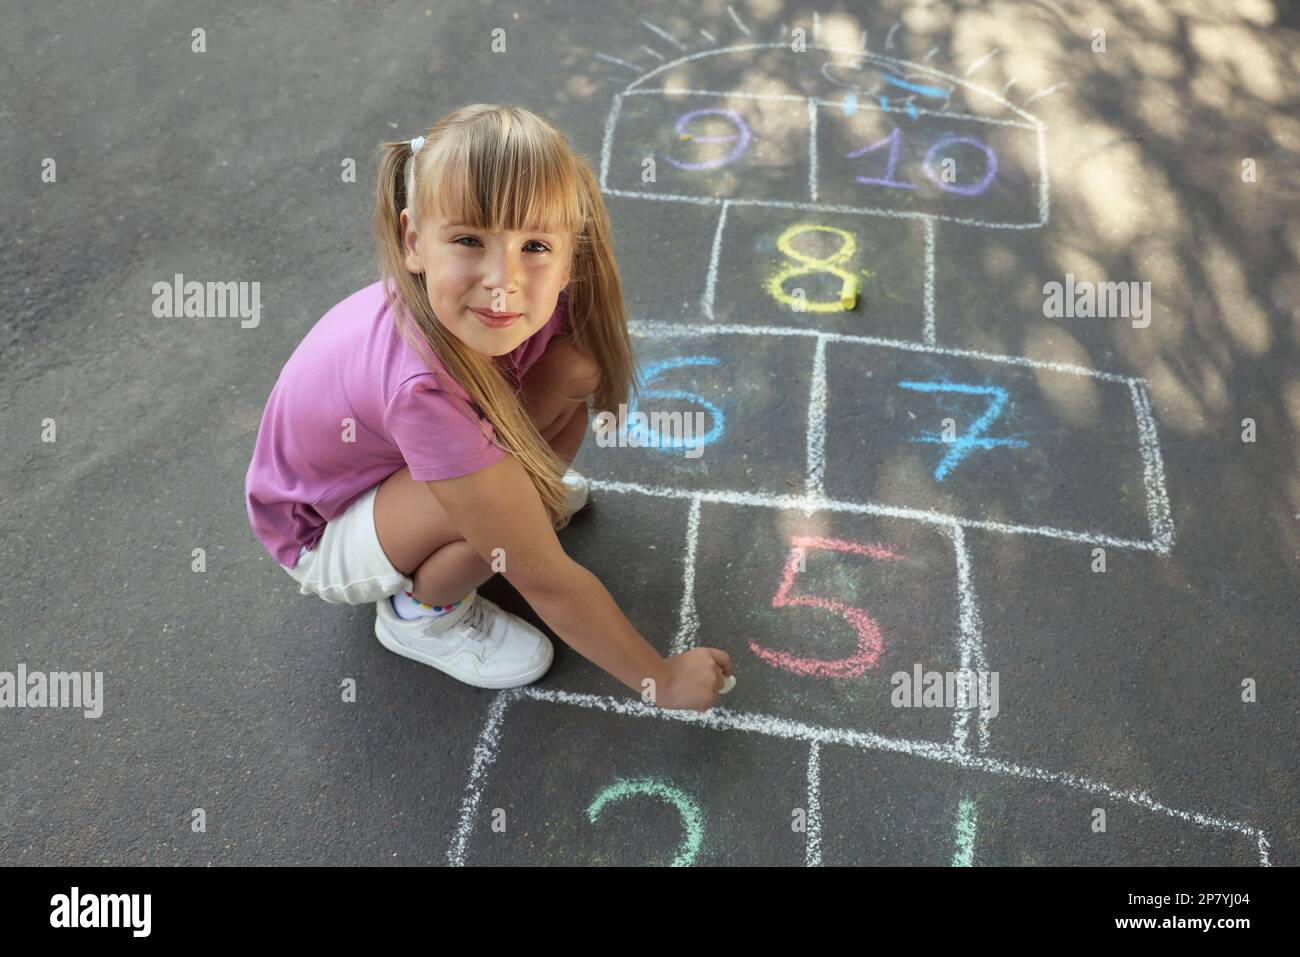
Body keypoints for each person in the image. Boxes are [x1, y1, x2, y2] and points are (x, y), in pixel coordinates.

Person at [245, 104, 732, 713]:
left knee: (575, 370)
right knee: (510, 523)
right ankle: (420, 615)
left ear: (568, 254)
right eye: (469, 240)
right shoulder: (419, 386)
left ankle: (501, 509)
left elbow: (574, 376)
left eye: (533, 245)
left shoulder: (539, 298)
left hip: (395, 473)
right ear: (413, 242)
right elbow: (549, 581)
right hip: (324, 531)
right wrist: (659, 679)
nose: (503, 281)